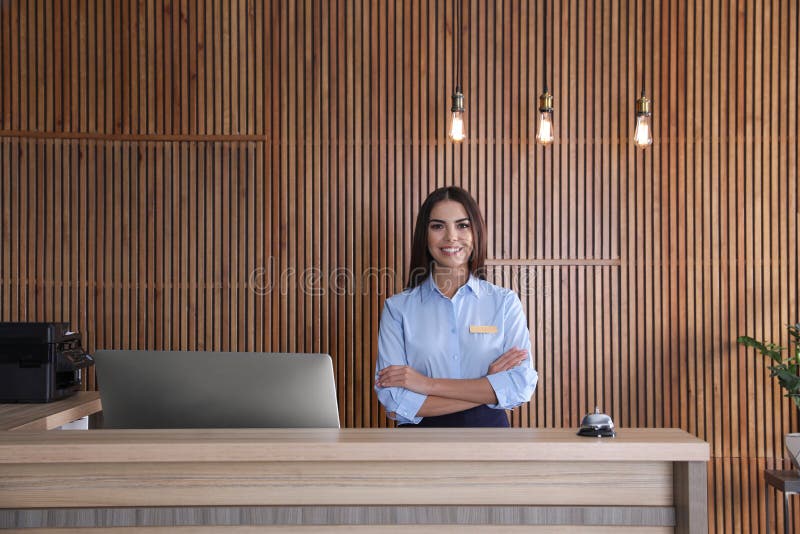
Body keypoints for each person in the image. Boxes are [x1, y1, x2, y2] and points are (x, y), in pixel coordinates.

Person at [374, 186, 538, 427]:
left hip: (491, 442)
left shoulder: (504, 303)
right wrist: (488, 385)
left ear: (476, 232)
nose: (451, 237)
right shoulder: (397, 309)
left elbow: (520, 385)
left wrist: (427, 385)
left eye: (463, 225)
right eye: (438, 226)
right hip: (418, 446)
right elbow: (396, 401)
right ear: (424, 235)